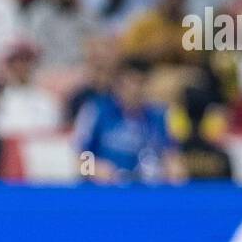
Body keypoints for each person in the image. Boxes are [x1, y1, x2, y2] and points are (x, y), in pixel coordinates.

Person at [73, 55, 184, 183]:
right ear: (118, 83)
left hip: (148, 191)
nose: (135, 89)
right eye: (130, 82)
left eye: (141, 83)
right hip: (106, 190)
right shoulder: (96, 110)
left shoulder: (159, 116)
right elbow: (78, 155)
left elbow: (172, 157)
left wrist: (175, 171)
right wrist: (93, 168)